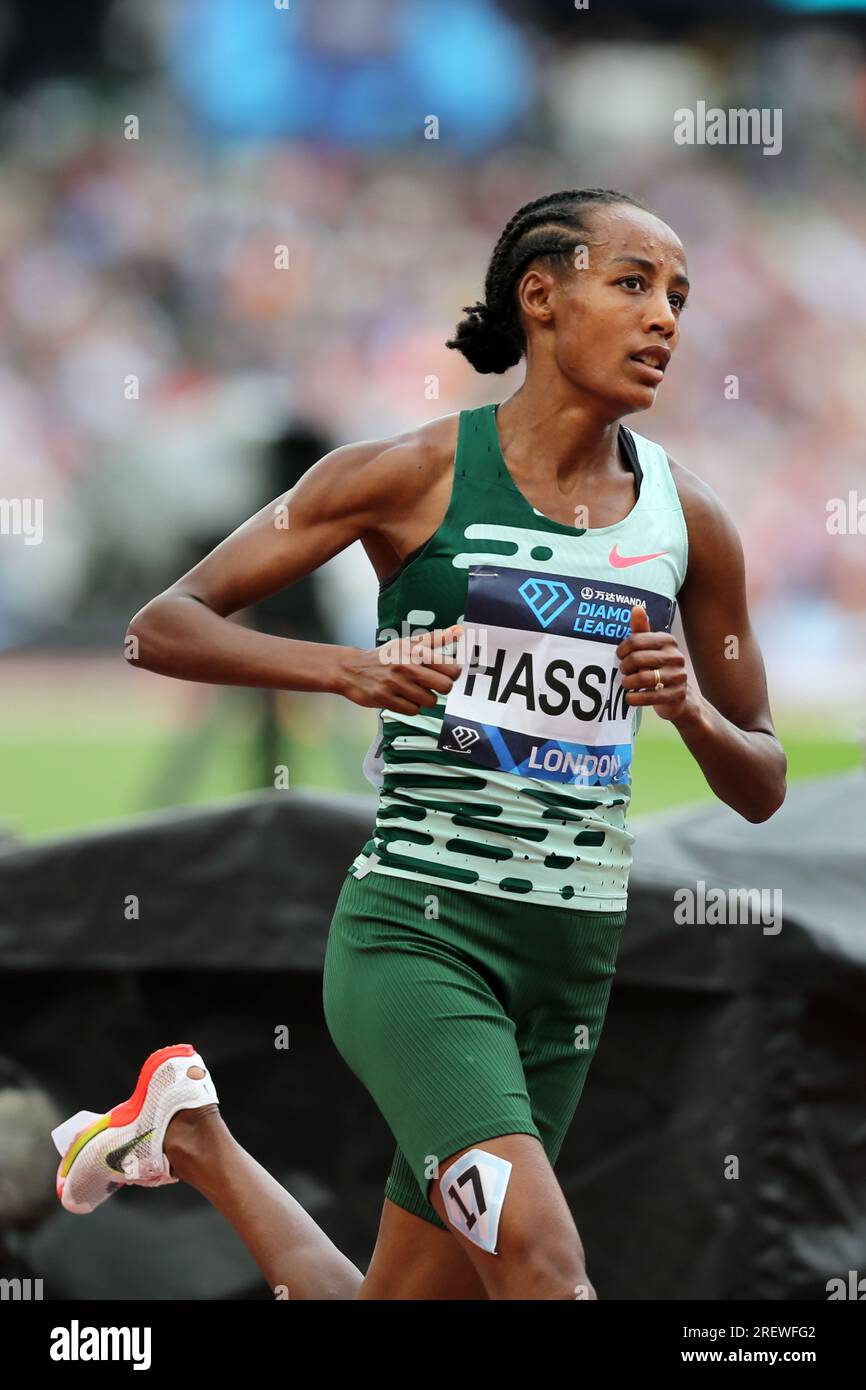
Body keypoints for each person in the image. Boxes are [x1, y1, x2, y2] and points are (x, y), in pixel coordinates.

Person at [51, 188, 786, 1300]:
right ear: (539, 297)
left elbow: (763, 783)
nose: (663, 319)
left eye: (677, 296)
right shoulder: (406, 475)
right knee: (543, 1266)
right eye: (631, 283)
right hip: (420, 942)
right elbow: (164, 626)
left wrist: (687, 711)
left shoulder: (692, 525)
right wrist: (346, 668)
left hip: (571, 964)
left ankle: (193, 1135)